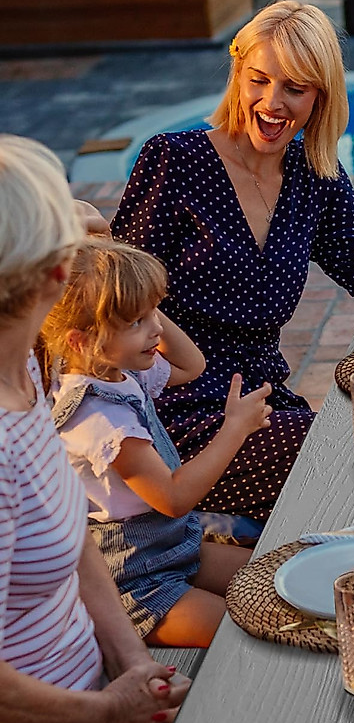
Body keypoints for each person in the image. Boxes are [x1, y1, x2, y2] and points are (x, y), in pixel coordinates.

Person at [0, 135, 311, 723]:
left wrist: (134, 666)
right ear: (48, 277)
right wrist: (105, 716)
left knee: (271, 604)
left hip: (94, 679)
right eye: (66, 241)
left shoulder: (28, 379)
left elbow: (78, 548)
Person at [112, 0, 354, 521]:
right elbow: (117, 299)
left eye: (294, 88)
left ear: (320, 96)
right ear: (238, 74)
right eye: (259, 80)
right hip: (177, 412)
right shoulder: (175, 160)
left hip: (265, 406)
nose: (272, 103)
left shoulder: (311, 174)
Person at [39, 238, 273, 646]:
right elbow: (173, 496)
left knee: (274, 583)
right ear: (81, 341)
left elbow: (191, 364)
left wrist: (137, 301)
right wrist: (234, 429)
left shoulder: (116, 370)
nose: (157, 329)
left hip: (176, 545)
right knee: (248, 632)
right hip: (136, 583)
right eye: (136, 323)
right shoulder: (99, 420)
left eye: (153, 314)